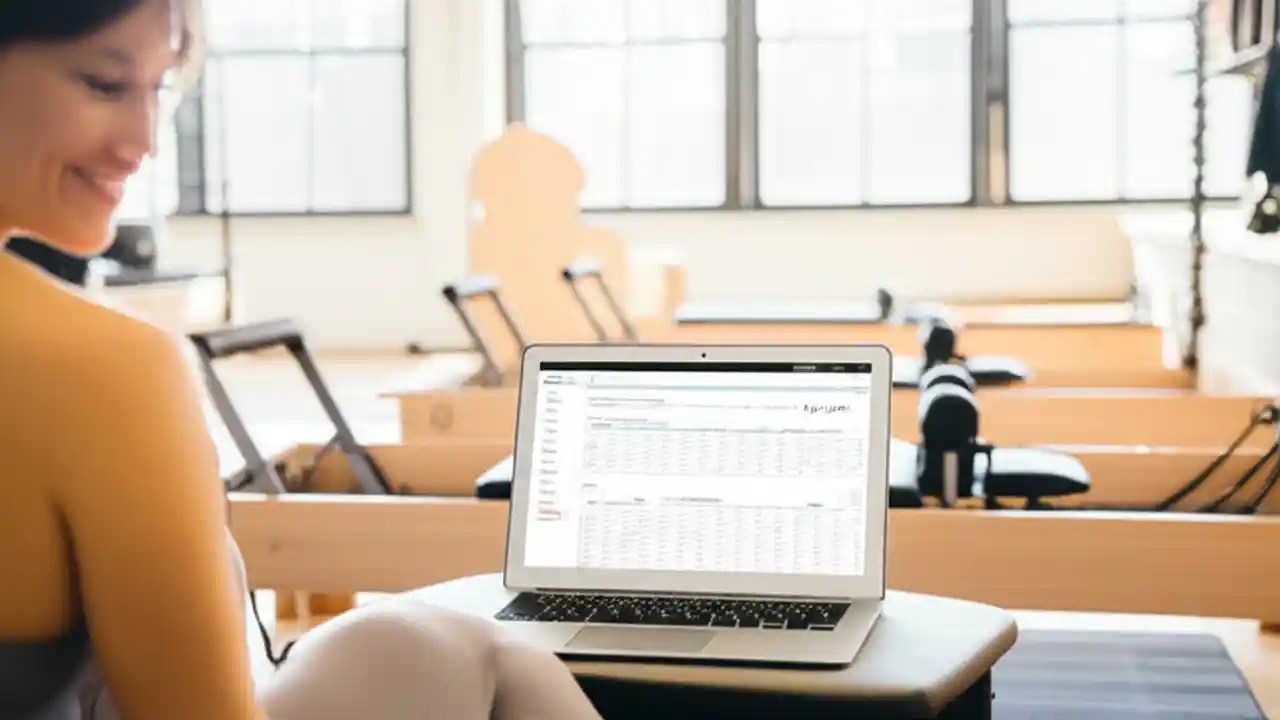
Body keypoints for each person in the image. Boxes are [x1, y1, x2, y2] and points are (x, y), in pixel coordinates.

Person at [0, 2, 602, 718]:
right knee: (483, 651)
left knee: (440, 639)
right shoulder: (106, 372)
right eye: (104, 84)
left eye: (159, 89)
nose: (144, 143)